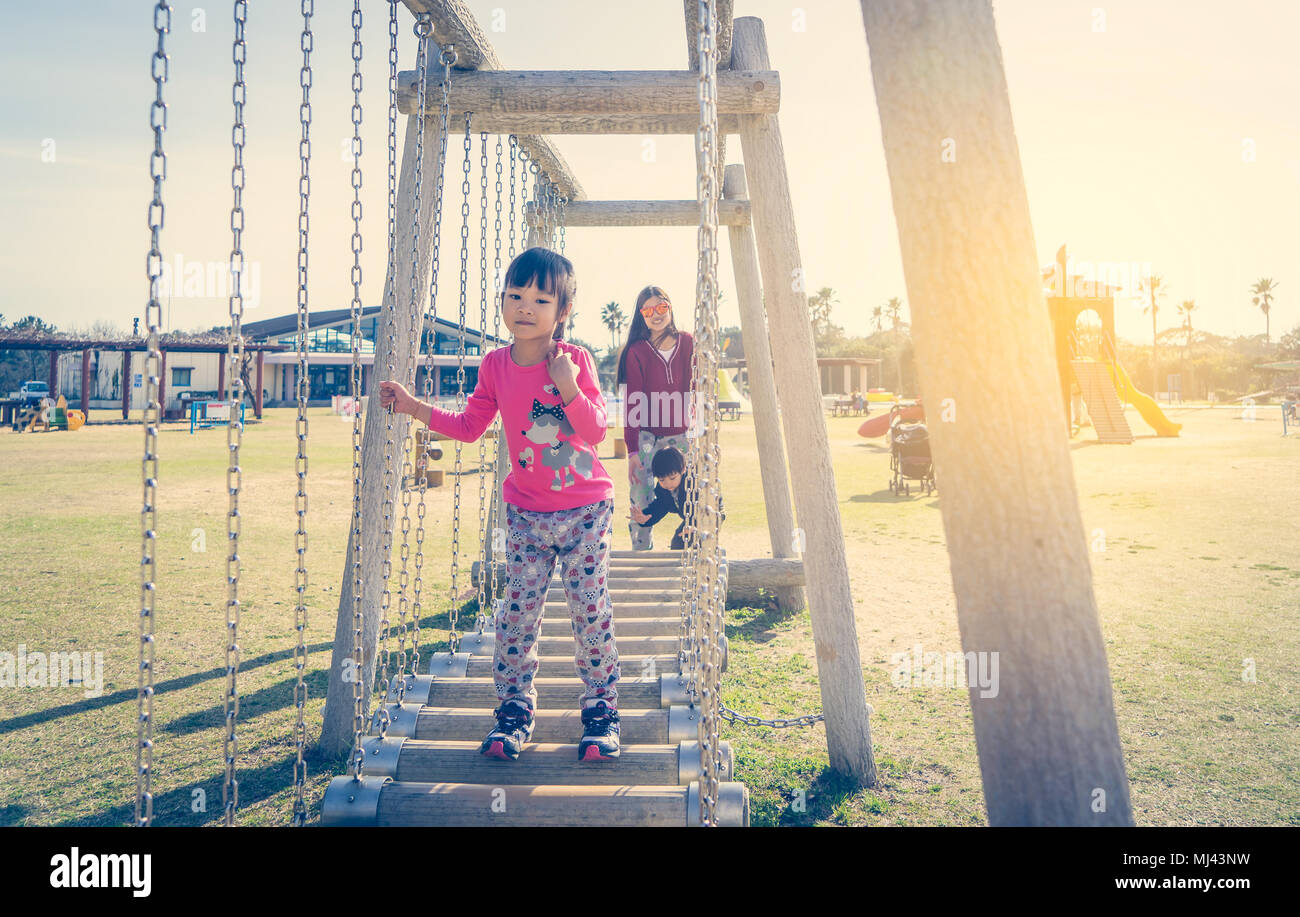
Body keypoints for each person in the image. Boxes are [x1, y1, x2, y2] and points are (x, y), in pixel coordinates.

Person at [379, 246, 622, 763]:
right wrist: (412, 405)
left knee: (589, 610)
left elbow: (596, 430)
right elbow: (469, 428)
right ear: (502, 301)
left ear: (562, 312)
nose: (525, 307)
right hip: (528, 514)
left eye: (539, 298)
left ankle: (600, 710)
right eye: (515, 295)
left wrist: (567, 386)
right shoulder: (495, 365)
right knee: (516, 614)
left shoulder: (574, 360)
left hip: (585, 510)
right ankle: (514, 709)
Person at [616, 286, 695, 550]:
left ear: (670, 306)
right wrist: (632, 451)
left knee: (693, 493)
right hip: (647, 436)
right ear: (642, 316)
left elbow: (696, 389)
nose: (656, 314)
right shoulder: (636, 351)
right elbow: (633, 402)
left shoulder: (688, 343)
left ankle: (687, 541)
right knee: (641, 496)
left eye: (661, 307)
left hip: (681, 435)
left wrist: (700, 432)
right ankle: (641, 553)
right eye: (648, 310)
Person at [629, 446, 724, 550]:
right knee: (678, 543)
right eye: (662, 480)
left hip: (710, 515)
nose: (668, 483)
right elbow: (661, 506)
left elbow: (707, 509)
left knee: (700, 544)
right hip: (691, 519)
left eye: (672, 478)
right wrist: (645, 517)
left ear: (683, 470)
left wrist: (697, 527)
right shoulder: (663, 489)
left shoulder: (693, 483)